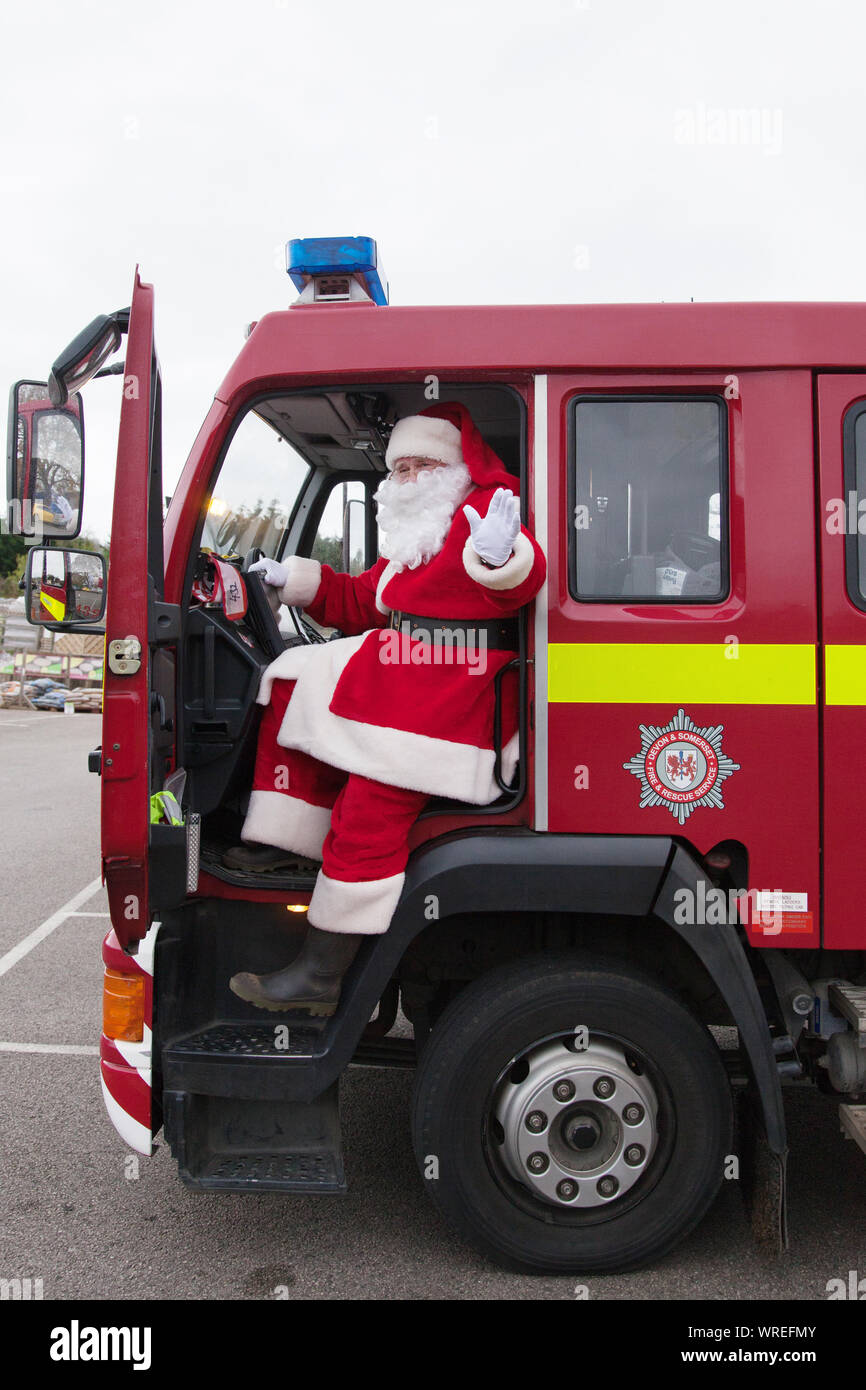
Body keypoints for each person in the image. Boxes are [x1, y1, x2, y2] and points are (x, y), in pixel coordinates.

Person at [227, 401, 546, 1014]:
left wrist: (502, 557)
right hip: (406, 677)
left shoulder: (480, 514)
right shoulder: (414, 539)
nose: (404, 481)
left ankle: (320, 976)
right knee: (288, 677)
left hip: (452, 692)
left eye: (420, 466)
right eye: (397, 469)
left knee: (368, 811)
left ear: (450, 471)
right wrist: (289, 578)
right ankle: (287, 838)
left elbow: (520, 581)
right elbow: (363, 600)